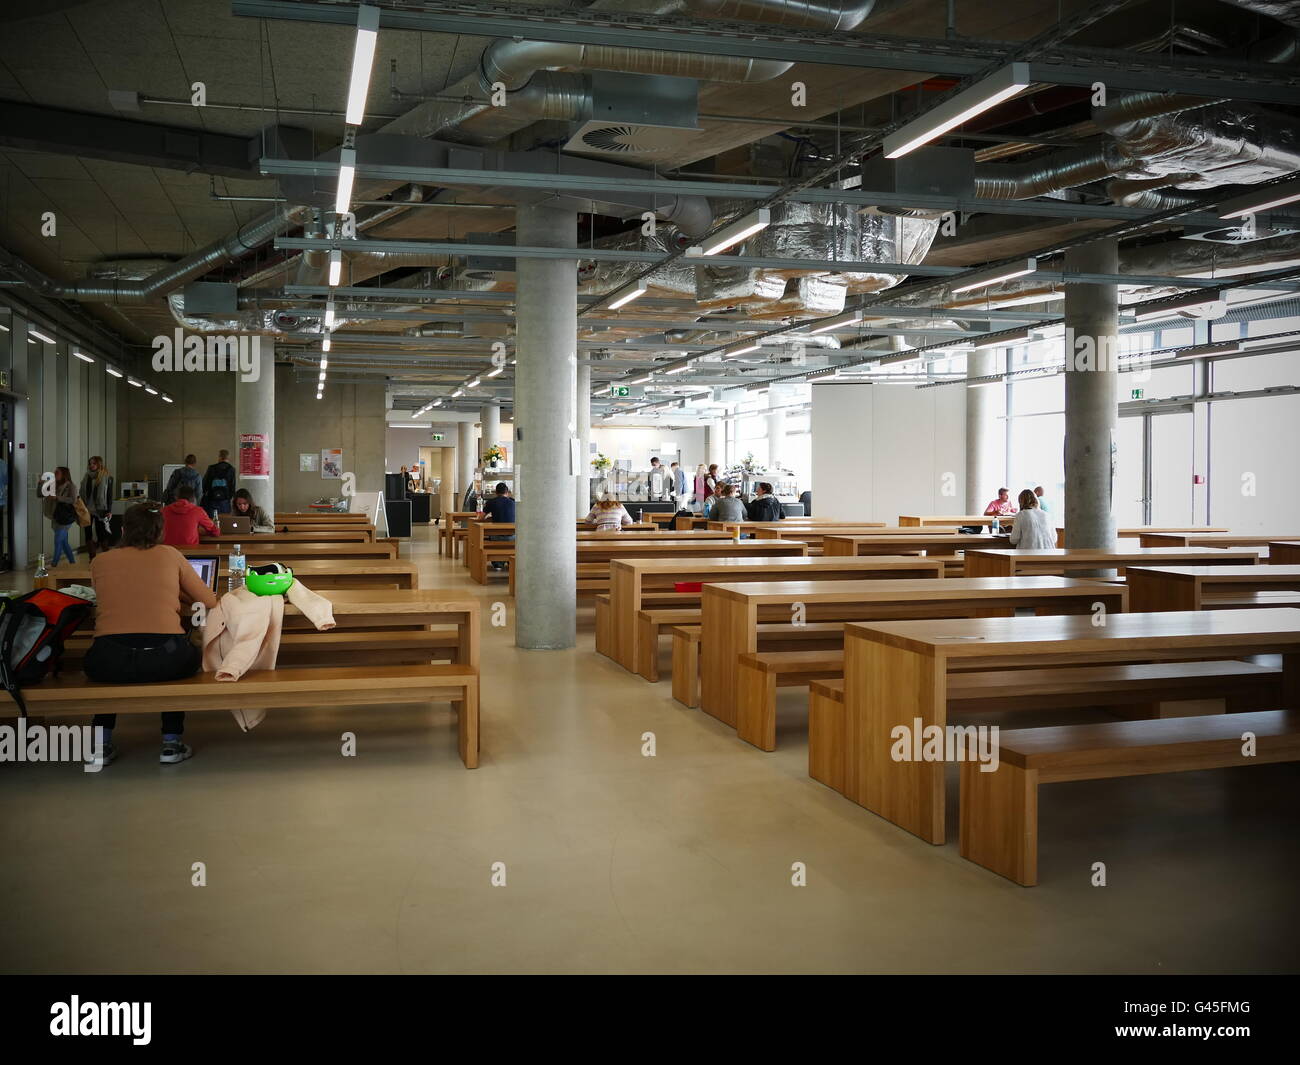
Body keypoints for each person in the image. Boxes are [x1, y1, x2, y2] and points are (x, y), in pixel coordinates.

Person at [84, 501, 218, 767]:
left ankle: (101, 744)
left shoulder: (100, 561)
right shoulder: (171, 555)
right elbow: (209, 601)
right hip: (164, 659)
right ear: (160, 531)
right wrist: (177, 593)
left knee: (109, 670)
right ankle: (171, 742)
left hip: (108, 660)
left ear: (123, 530)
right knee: (181, 656)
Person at [79, 456, 115, 558]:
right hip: (87, 510)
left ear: (99, 464)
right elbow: (82, 493)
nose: (91, 465)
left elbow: (109, 496)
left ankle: (106, 557)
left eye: (94, 463)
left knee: (101, 534)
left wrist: (109, 510)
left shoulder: (107, 477)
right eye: (90, 463)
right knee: (88, 534)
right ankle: (92, 557)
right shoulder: (87, 477)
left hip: (100, 510)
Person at [45, 466, 79, 566]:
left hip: (65, 517)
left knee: (58, 541)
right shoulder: (53, 485)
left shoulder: (71, 486)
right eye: (54, 472)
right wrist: (42, 484)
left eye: (57, 473)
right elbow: (40, 494)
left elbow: (73, 500)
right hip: (56, 515)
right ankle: (72, 562)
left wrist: (57, 498)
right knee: (64, 542)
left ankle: (54, 564)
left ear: (64, 474)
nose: (54, 474)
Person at [480, 482, 515, 570]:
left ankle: (498, 563)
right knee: (510, 539)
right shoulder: (513, 502)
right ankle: (510, 561)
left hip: (496, 537)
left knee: (493, 536)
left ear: (496, 492)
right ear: (507, 492)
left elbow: (481, 518)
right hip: (512, 537)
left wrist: (491, 516)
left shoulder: (491, 502)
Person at [202, 449, 237, 519]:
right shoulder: (231, 469)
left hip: (212, 499)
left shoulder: (211, 468)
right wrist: (229, 497)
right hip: (225, 500)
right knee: (225, 521)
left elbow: (204, 483)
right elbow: (233, 486)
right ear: (228, 457)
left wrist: (207, 493)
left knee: (212, 520)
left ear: (220, 457)